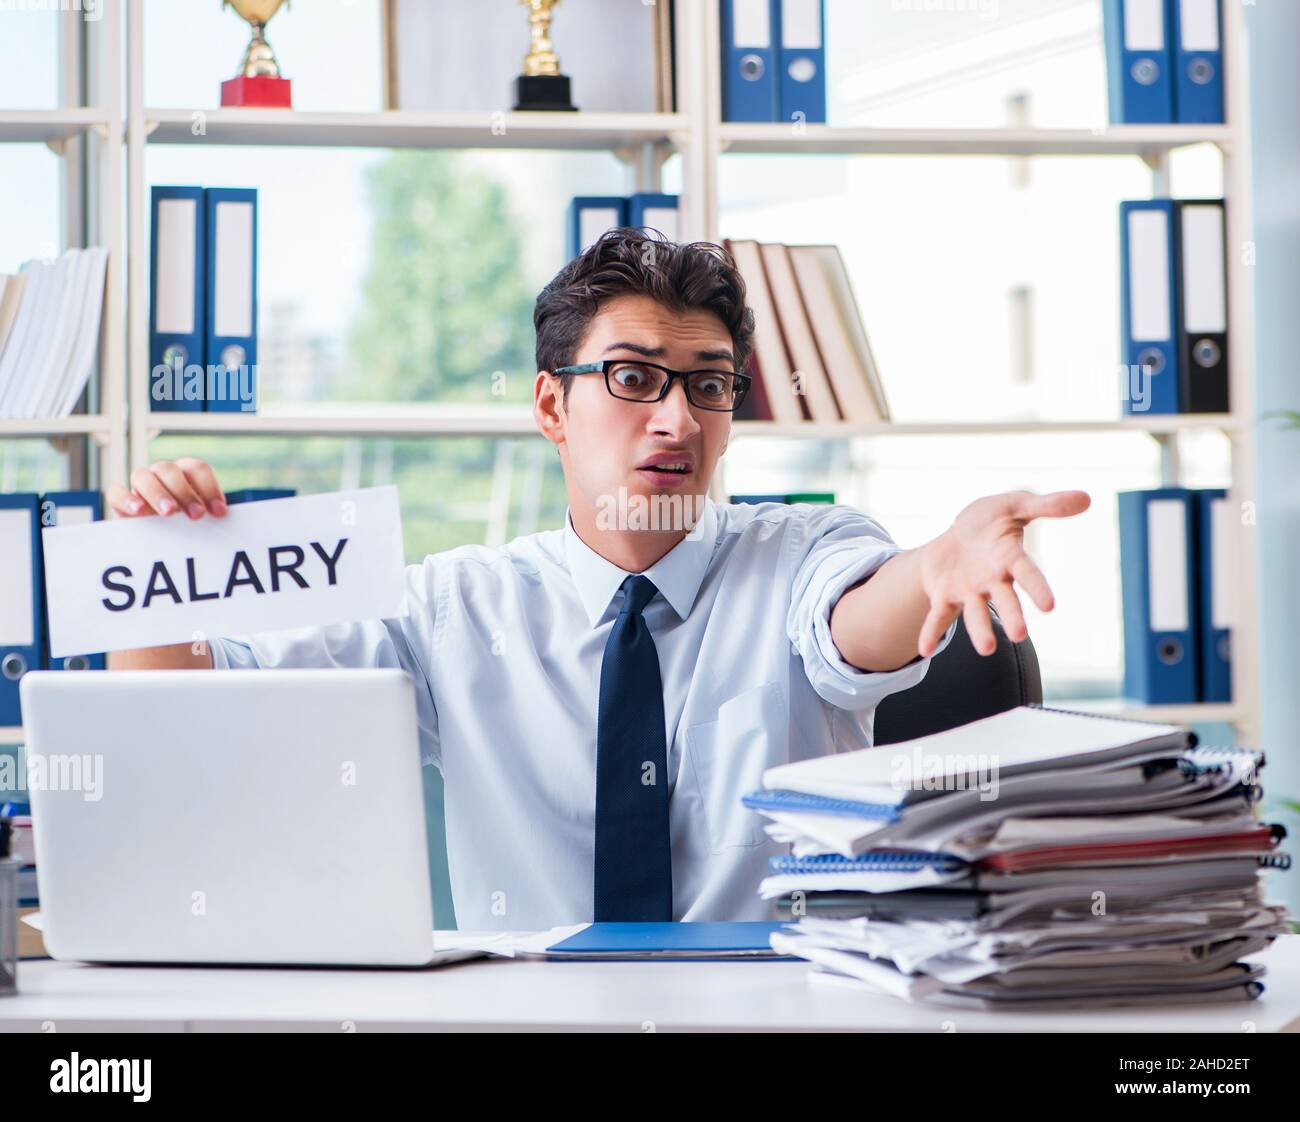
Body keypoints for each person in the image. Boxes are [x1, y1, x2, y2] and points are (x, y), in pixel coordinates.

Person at [109, 229, 1089, 929]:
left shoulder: (803, 551)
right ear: (549, 405)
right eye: (631, 378)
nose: (675, 420)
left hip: (780, 1017)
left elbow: (856, 622)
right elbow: (187, 714)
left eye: (709, 384)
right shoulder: (453, 606)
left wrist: (937, 565)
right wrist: (154, 569)